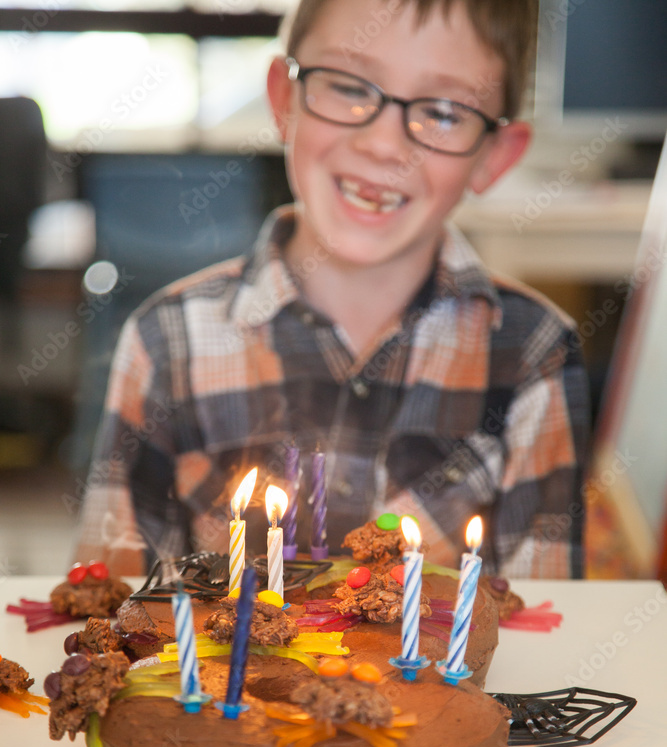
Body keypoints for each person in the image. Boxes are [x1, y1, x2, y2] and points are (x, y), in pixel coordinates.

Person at [73, 0, 589, 578]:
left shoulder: (532, 349)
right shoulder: (165, 341)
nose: (384, 146)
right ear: (283, 99)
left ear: (494, 156)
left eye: (444, 111)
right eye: (348, 86)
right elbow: (111, 608)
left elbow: (546, 623)